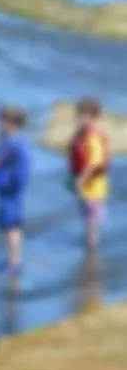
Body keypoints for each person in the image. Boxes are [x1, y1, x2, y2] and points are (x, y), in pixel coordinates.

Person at [0, 105, 31, 273]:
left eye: (2, 121)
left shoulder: (12, 143)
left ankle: (14, 262)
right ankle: (13, 260)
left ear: (11, 123)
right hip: (12, 190)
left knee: (12, 226)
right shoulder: (18, 141)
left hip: (9, 190)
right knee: (12, 226)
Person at [69, 96, 110, 253]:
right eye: (78, 115)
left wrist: (81, 178)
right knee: (87, 220)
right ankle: (89, 246)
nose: (79, 118)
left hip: (94, 186)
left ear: (92, 117)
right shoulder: (82, 134)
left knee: (92, 222)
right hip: (86, 187)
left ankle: (92, 252)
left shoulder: (93, 136)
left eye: (82, 115)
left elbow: (95, 162)